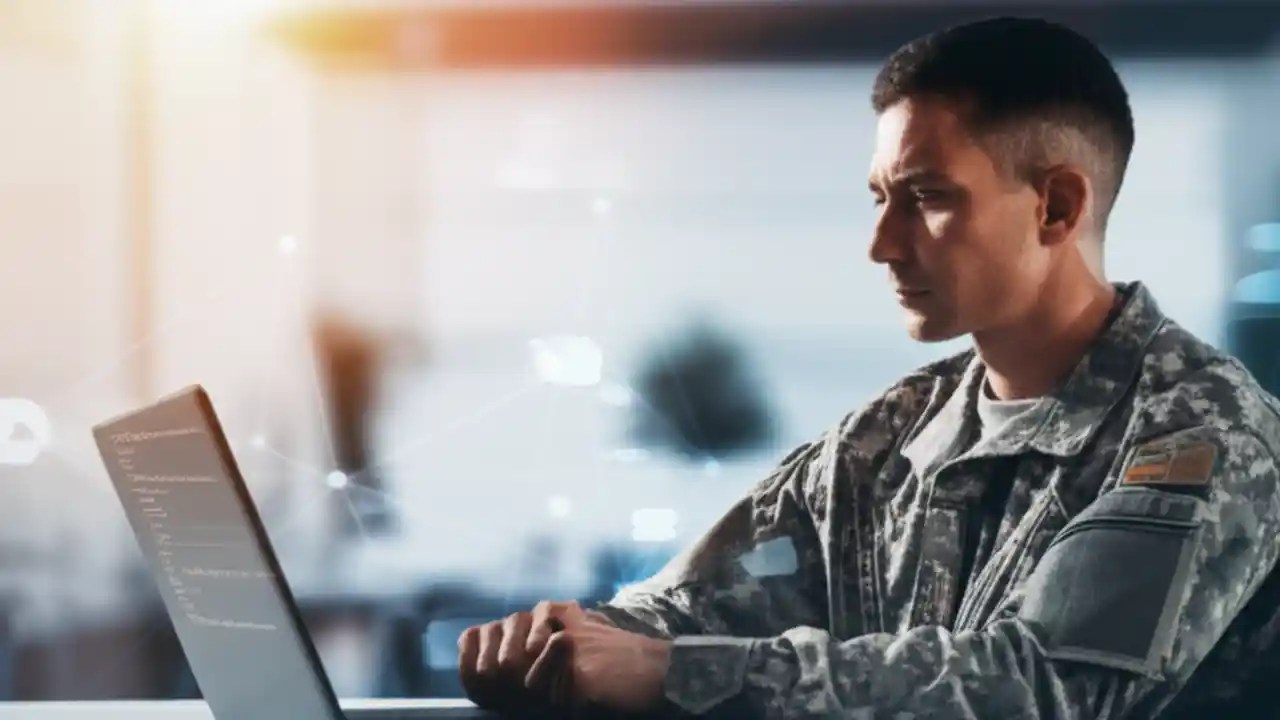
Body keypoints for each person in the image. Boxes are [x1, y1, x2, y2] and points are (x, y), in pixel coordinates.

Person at [457, 16, 1280, 718]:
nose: (882, 245)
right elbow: (687, 603)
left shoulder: (1197, 432)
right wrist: (563, 643)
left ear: (1057, 207)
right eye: (879, 198)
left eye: (926, 198)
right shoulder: (891, 436)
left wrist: (675, 673)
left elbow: (1044, 687)